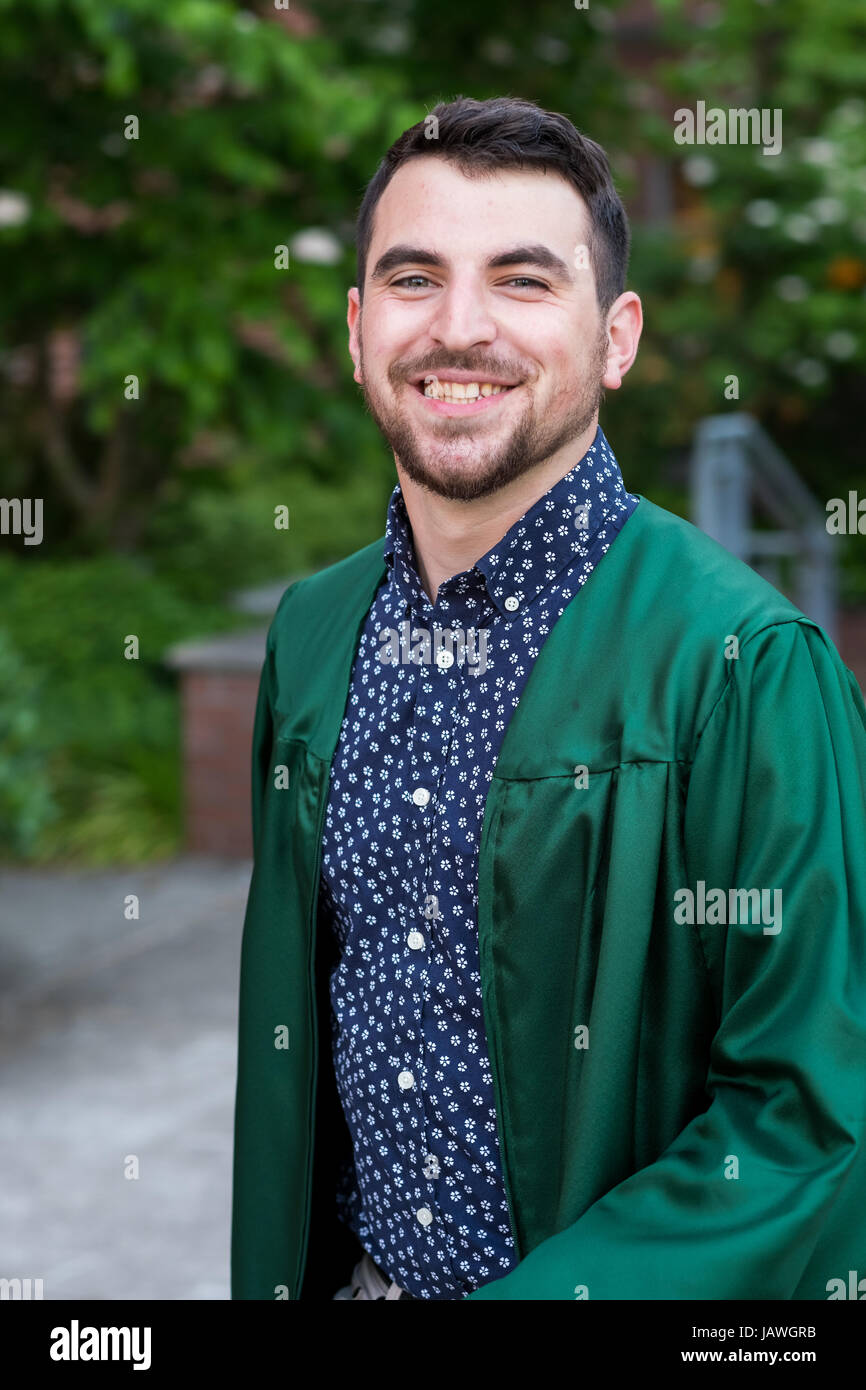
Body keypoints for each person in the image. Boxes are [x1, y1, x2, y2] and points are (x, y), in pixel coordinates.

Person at [230, 95, 866, 1301]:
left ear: (616, 338)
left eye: (521, 281)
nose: (456, 329)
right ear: (360, 328)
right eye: (413, 280)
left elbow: (810, 1112)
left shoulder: (739, 664)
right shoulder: (311, 634)